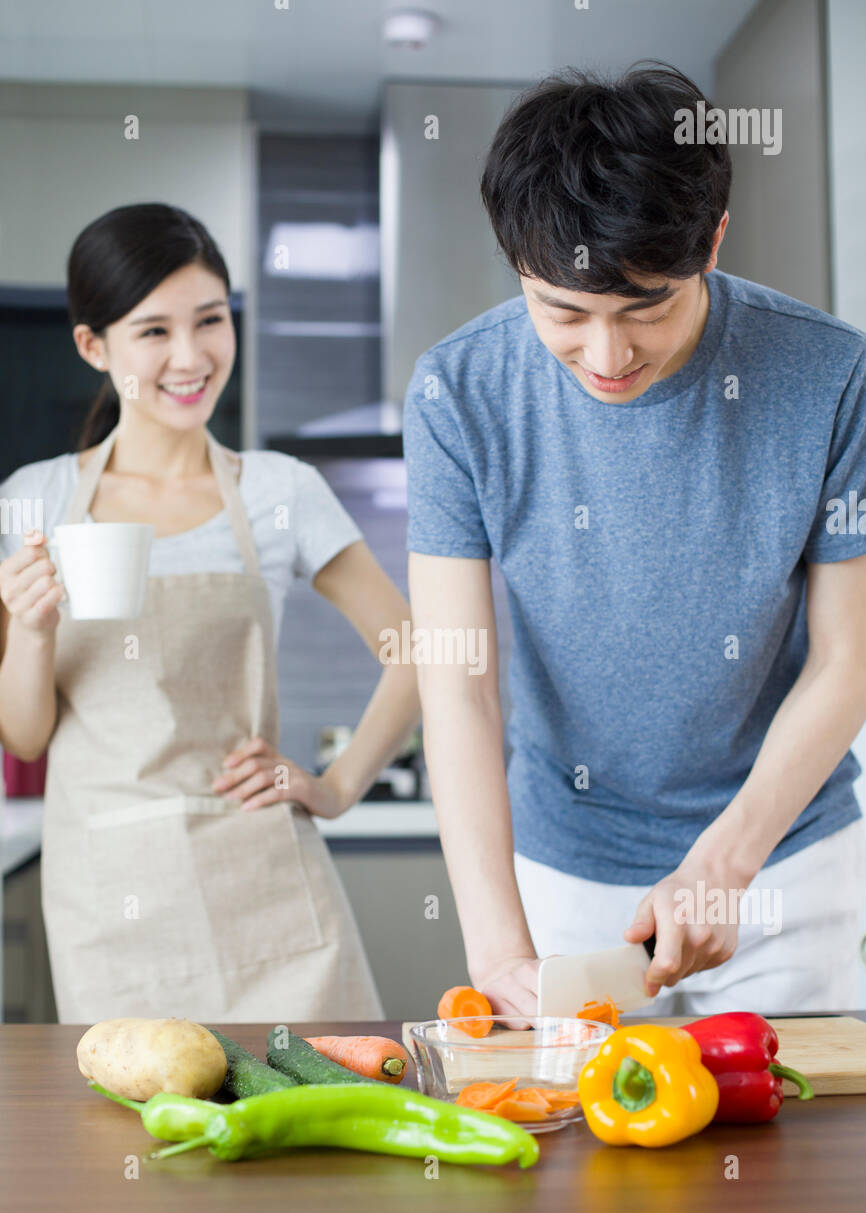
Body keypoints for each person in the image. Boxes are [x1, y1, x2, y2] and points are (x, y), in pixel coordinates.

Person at [403, 63, 866, 1018]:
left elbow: (849, 658)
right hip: (565, 878)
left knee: (788, 1161)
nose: (607, 359)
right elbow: (459, 679)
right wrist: (497, 950)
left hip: (784, 866)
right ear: (515, 262)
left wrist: (725, 862)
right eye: (564, 314)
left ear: (715, 239)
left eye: (648, 306)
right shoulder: (458, 393)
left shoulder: (830, 373)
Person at [0, 202, 420, 1024]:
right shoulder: (35, 501)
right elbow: (24, 736)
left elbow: (417, 650)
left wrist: (335, 789)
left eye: (210, 321)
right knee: (148, 1141)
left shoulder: (279, 492)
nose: (190, 357)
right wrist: (35, 632)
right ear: (95, 346)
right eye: (153, 332)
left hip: (263, 883)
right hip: (108, 901)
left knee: (317, 1134)